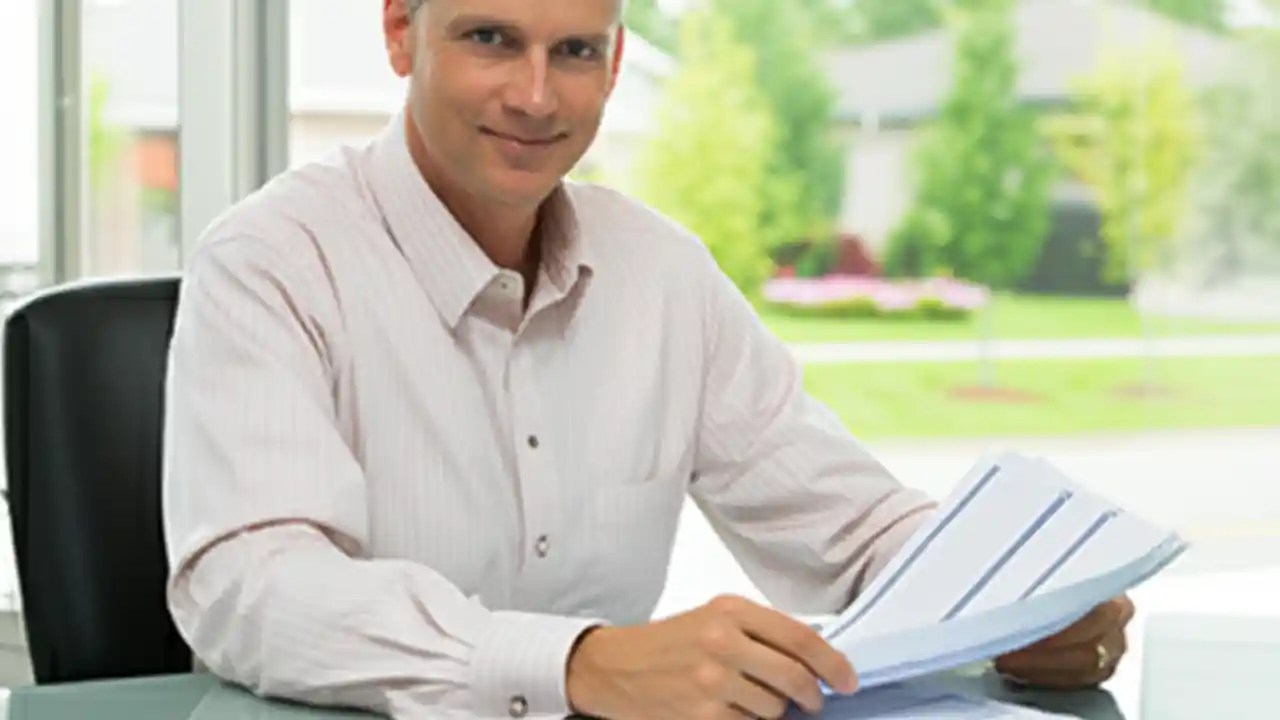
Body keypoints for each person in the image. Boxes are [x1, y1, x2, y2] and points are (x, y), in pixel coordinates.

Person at [161, 0, 1135, 718]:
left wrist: (1012, 599)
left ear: (615, 63)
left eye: (575, 51)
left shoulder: (660, 273)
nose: (535, 95)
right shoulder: (271, 259)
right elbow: (251, 586)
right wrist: (575, 663)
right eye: (489, 38)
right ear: (398, 32)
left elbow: (847, 523)